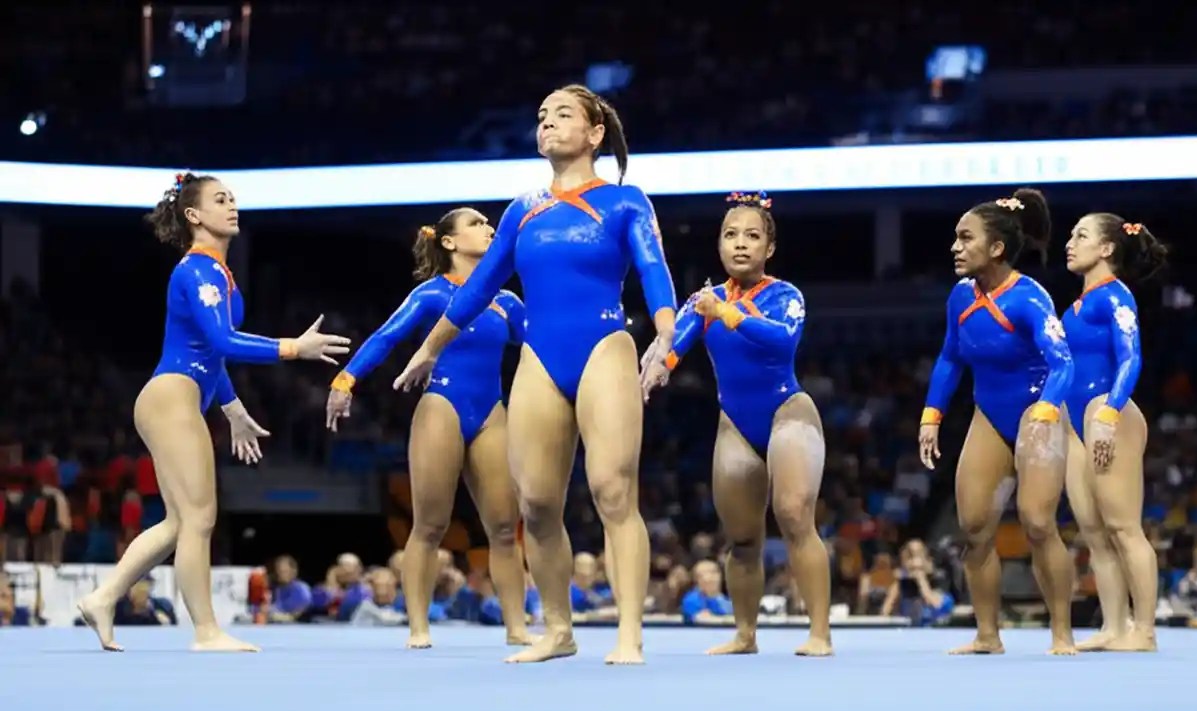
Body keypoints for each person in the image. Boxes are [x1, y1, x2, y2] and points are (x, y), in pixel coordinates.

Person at [394, 85, 677, 665]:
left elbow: (653, 267)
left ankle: (629, 635)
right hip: (541, 358)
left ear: (595, 134)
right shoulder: (522, 210)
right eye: (542, 116)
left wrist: (666, 334)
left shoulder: (626, 202)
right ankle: (558, 630)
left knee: (612, 491)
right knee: (537, 504)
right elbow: (477, 290)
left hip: (604, 345)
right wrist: (429, 348)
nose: (547, 123)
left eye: (563, 114)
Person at [77, 173, 349, 652]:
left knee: (179, 523)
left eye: (234, 199)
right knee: (201, 518)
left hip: (183, 396)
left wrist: (233, 408)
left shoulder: (217, 272)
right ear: (193, 215)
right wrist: (294, 347)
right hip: (171, 396)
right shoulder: (196, 270)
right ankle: (205, 631)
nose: (232, 206)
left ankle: (103, 598)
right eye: (220, 200)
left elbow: (210, 351)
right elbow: (224, 342)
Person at [326, 208, 532, 649]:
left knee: (503, 526)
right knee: (429, 525)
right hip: (443, 404)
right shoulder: (432, 294)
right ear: (450, 243)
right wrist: (346, 380)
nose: (489, 228)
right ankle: (418, 626)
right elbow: (385, 337)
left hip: (492, 410)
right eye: (476, 223)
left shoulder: (507, 301)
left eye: (489, 224)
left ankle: (517, 626)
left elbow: (540, 340)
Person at [641, 191, 832, 656]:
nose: (740, 244)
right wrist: (657, 366)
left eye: (752, 236)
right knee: (742, 538)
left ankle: (819, 633)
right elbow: (676, 342)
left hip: (788, 412)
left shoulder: (784, 295)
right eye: (731, 235)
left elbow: (782, 342)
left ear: (769, 248)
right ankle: (745, 635)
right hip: (736, 424)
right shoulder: (703, 301)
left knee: (793, 518)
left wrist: (726, 313)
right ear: (719, 245)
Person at [917, 188, 1078, 655]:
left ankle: (1062, 633)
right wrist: (932, 415)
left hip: (1036, 410)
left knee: (1037, 522)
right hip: (989, 414)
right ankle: (988, 635)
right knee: (973, 527)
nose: (955, 247)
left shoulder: (1030, 299)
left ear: (997, 249)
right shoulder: (960, 298)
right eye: (955, 238)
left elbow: (1062, 363)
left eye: (966, 239)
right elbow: (950, 358)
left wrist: (1046, 413)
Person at [1062, 213, 1167, 652]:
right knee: (1094, 532)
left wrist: (1109, 414)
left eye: (1080, 235)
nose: (1070, 242)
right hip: (1075, 422)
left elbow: (1131, 357)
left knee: (1124, 528)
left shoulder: (1115, 296)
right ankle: (1113, 626)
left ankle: (1143, 631)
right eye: (1070, 235)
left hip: (1109, 414)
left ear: (1106, 249)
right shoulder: (1074, 307)